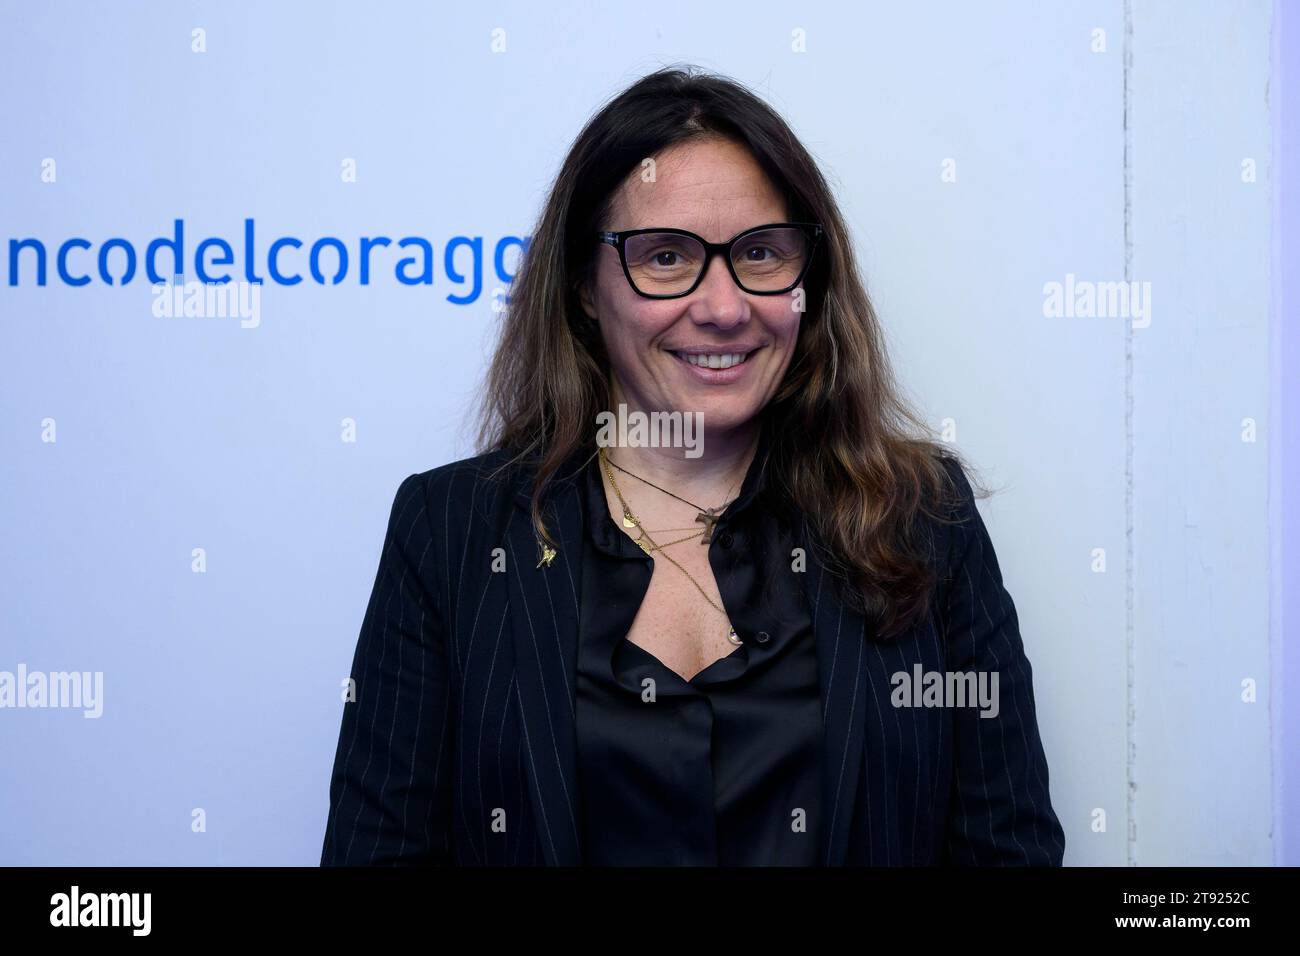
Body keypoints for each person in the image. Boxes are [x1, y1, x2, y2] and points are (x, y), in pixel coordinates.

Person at [320, 65, 1065, 866]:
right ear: (581, 283)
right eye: (666, 256)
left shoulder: (922, 516)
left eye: (761, 253)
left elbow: (1006, 849)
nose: (722, 306)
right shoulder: (452, 531)